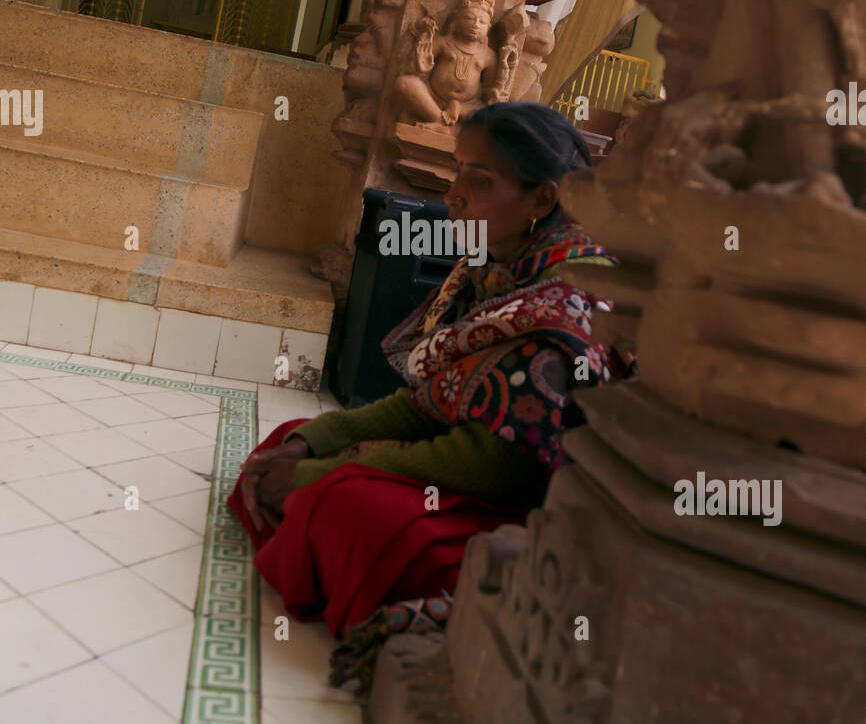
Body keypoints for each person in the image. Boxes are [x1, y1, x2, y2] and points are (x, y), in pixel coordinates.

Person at [227, 102, 634, 690]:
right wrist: (314, 443)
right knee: (284, 444)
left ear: (541, 201)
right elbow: (426, 402)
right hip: (476, 466)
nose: (455, 194)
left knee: (341, 505)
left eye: (479, 179)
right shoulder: (498, 267)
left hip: (533, 507)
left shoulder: (569, 302)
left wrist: (322, 473)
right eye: (457, 171)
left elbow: (496, 464)